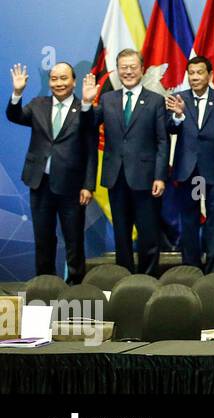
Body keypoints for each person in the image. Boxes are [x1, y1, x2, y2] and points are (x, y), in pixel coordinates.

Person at [80, 49, 167, 276]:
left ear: (142, 69)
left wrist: (159, 176)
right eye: (123, 67)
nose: (128, 72)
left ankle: (149, 279)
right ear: (117, 70)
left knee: (149, 235)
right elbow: (88, 127)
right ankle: (125, 279)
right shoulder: (107, 99)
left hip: (146, 178)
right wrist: (87, 103)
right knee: (121, 233)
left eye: (132, 67)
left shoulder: (156, 100)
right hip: (116, 176)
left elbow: (162, 141)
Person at [7, 62, 96, 283]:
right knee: (43, 239)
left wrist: (88, 185)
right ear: (49, 82)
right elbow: (14, 116)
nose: (59, 83)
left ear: (74, 81)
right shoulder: (38, 104)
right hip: (40, 184)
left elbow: (91, 151)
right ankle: (45, 286)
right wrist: (17, 94)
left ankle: (75, 285)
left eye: (64, 78)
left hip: (72, 187)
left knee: (73, 240)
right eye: (54, 79)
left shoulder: (84, 109)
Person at [163, 56, 214, 274]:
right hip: (189, 172)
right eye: (191, 73)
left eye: (199, 72)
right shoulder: (179, 98)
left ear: (209, 75)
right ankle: (191, 269)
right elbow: (168, 129)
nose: (194, 77)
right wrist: (178, 115)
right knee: (190, 221)